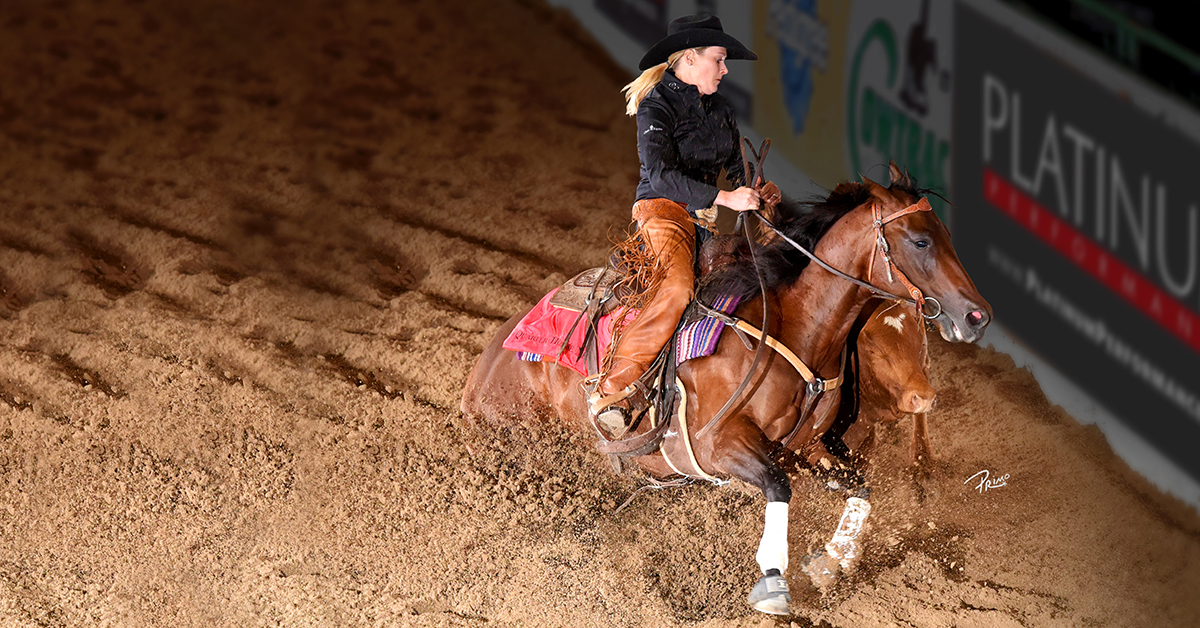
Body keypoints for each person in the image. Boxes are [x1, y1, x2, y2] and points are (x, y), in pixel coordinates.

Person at [589, 14, 777, 431]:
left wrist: (758, 189)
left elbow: (737, 167)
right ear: (690, 58)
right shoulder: (656, 105)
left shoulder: (722, 110)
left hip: (705, 221)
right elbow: (661, 176)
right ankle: (615, 388)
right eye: (720, 59)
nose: (726, 69)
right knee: (676, 288)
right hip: (663, 213)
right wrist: (726, 197)